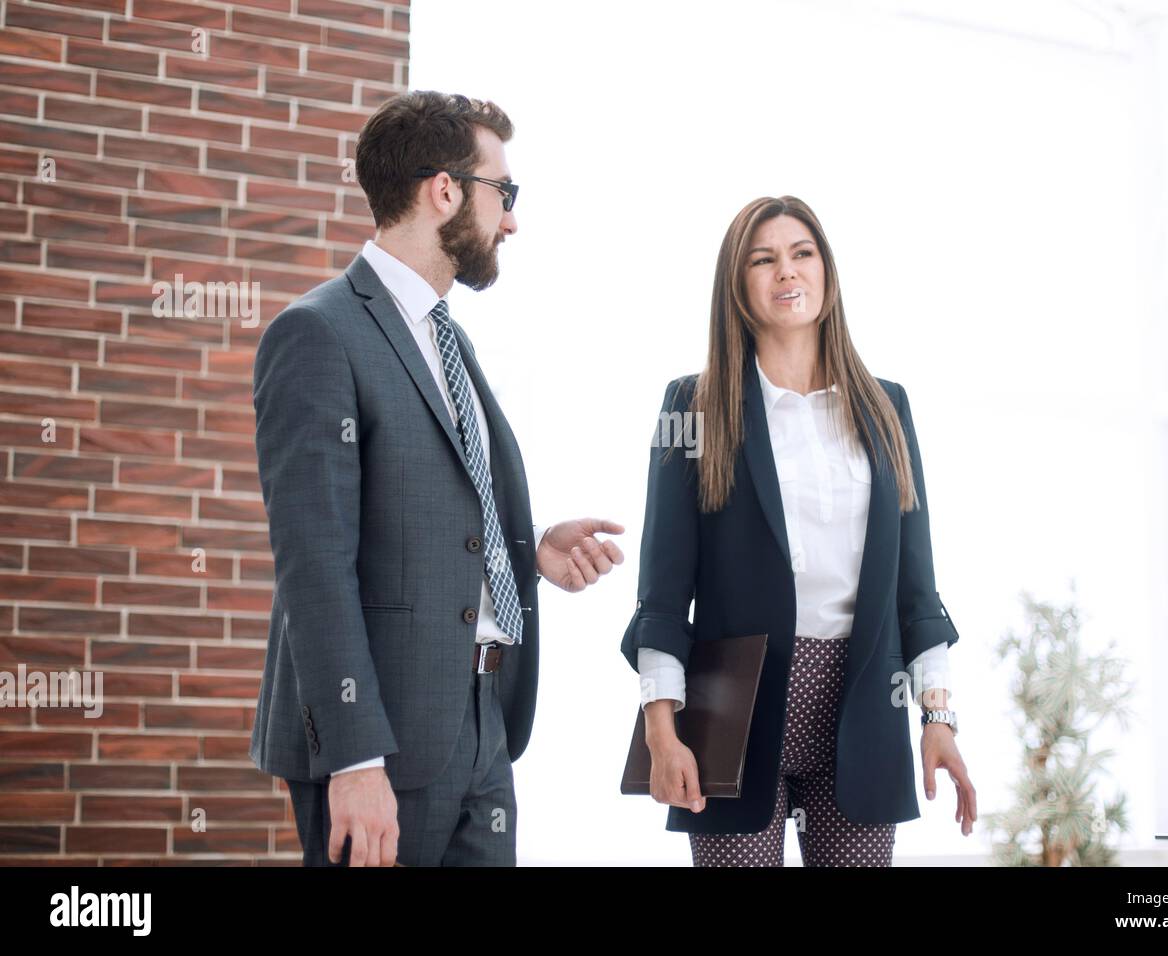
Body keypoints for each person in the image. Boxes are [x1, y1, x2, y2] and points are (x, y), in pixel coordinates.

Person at [250, 90, 624, 867]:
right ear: (444, 191)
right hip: (381, 741)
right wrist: (354, 763)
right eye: (504, 194)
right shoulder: (317, 334)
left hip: (483, 722)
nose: (512, 220)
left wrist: (527, 556)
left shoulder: (446, 340)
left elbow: (433, 518)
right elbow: (314, 568)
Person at [621, 196, 976, 866]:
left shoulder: (886, 407)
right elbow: (662, 597)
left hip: (864, 704)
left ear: (827, 273)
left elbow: (917, 591)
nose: (786, 272)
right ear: (739, 285)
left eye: (801, 253)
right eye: (764, 259)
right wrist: (661, 734)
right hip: (733, 715)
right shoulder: (691, 407)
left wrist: (937, 718)